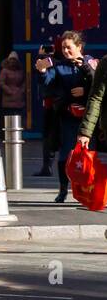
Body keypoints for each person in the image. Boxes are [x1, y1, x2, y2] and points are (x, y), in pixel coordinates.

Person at [37, 30, 95, 203]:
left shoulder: (91, 62)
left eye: (69, 47)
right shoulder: (59, 66)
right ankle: (63, 190)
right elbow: (47, 83)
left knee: (89, 155)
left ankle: (89, 189)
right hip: (68, 117)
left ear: (79, 47)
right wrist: (42, 71)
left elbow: (99, 85)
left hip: (89, 118)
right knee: (65, 155)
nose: (66, 51)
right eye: (63, 48)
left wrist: (84, 91)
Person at [35, 40, 59, 176]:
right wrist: (40, 57)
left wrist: (40, 56)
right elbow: (40, 73)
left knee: (50, 137)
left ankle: (47, 166)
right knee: (48, 137)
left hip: (54, 105)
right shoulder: (50, 62)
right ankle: (47, 166)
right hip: (51, 104)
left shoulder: (57, 62)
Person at [0, 51, 26, 127]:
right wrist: (9, 90)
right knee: (9, 119)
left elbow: (24, 81)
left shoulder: (20, 71)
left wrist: (22, 90)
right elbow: (1, 82)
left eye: (14, 59)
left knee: (18, 118)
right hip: (8, 100)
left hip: (19, 99)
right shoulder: (4, 71)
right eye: (11, 59)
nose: (12, 61)